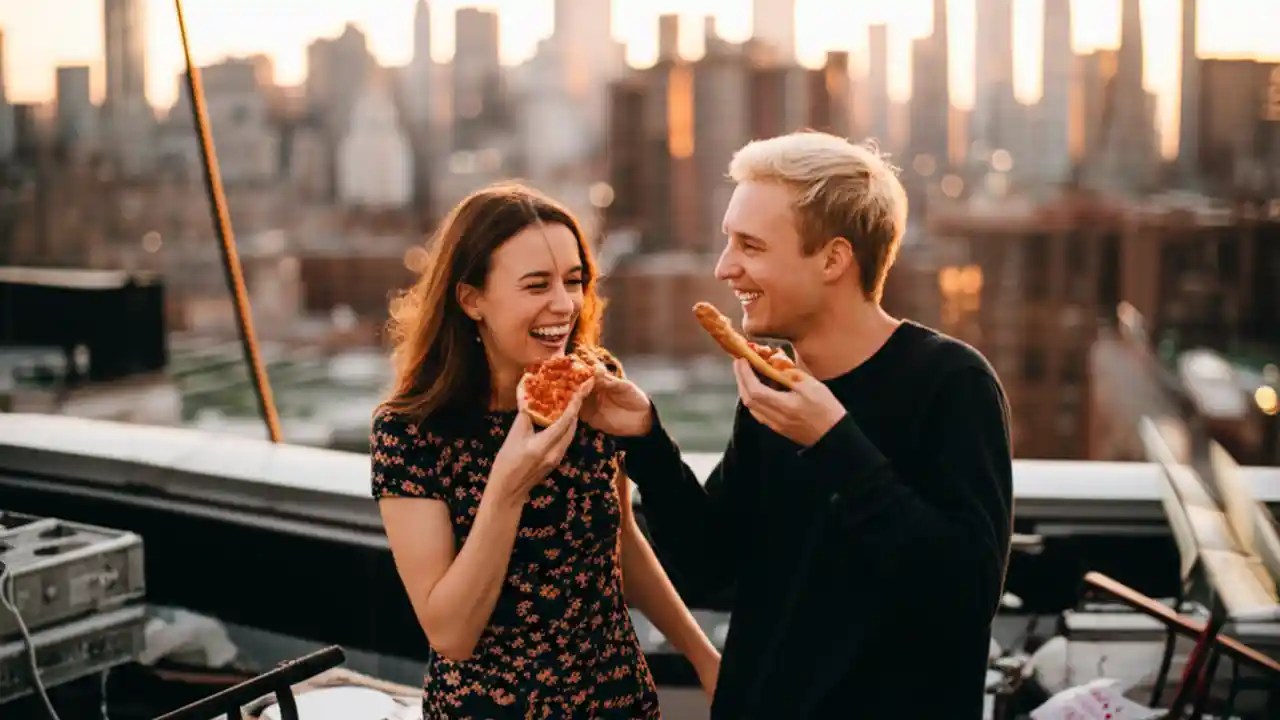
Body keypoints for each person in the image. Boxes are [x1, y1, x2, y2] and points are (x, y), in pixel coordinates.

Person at [583, 132, 1014, 719]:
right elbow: (708, 569)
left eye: (751, 246)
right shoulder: (774, 385)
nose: (725, 266)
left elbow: (963, 594)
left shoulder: (951, 382)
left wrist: (834, 442)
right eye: (728, 242)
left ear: (834, 259)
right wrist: (648, 445)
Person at [370, 183, 720, 719]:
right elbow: (452, 635)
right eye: (536, 285)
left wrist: (704, 657)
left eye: (574, 280)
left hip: (617, 701)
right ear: (472, 300)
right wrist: (508, 489)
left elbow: (621, 540)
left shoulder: (594, 383)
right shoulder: (410, 431)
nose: (564, 304)